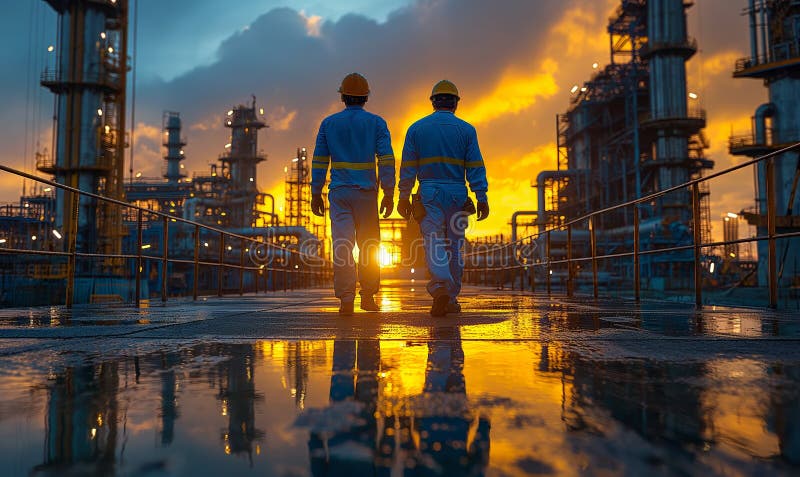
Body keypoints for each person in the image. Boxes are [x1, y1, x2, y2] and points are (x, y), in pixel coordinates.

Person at [397, 80, 489, 317]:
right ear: (456, 103)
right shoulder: (467, 130)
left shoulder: (416, 129)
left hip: (429, 192)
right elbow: (475, 166)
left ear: (433, 102)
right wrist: (481, 196)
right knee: (455, 246)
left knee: (433, 241)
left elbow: (408, 167)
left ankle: (440, 290)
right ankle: (451, 297)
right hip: (458, 193)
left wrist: (404, 196)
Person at [311, 73, 396, 315]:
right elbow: (387, 159)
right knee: (369, 245)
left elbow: (319, 160)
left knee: (342, 245)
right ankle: (368, 296)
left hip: (339, 193)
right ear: (366, 97)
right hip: (367, 193)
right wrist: (388, 193)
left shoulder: (329, 124)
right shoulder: (377, 123)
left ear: (343, 97)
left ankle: (346, 299)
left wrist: (315, 192)